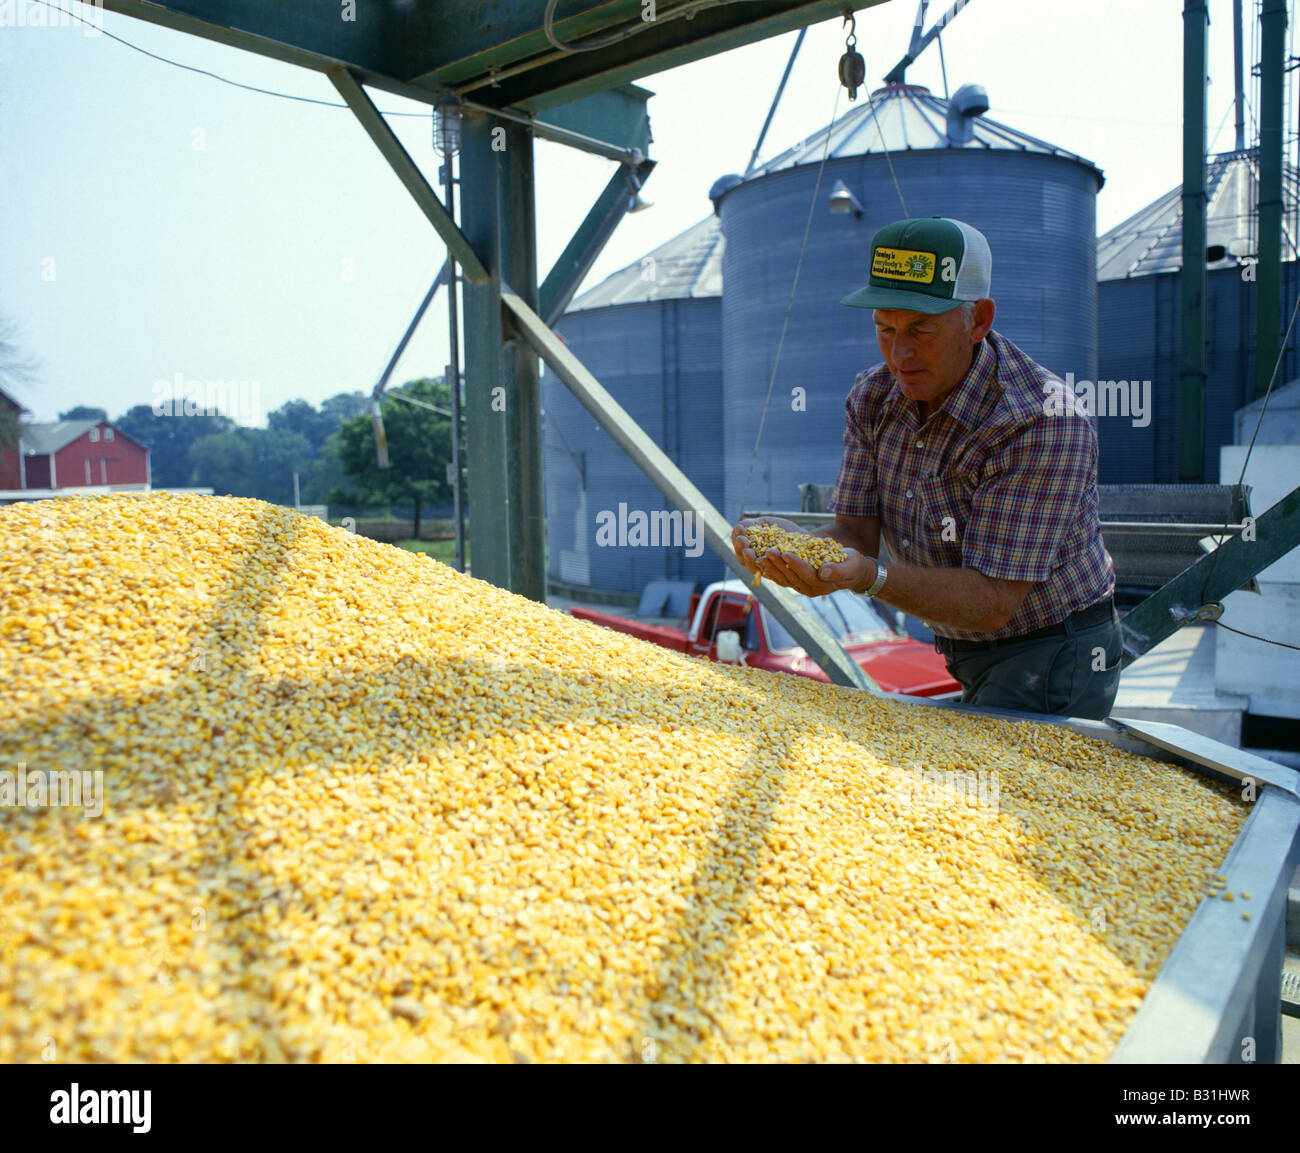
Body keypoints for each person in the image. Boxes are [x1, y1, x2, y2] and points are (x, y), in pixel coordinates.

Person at [732, 216, 1122, 719]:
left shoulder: (1041, 420)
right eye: (885, 329)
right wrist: (802, 546)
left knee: (1005, 794)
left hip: (1053, 653)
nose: (900, 354)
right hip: (960, 643)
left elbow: (995, 597)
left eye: (921, 330)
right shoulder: (873, 398)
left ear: (978, 321)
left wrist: (866, 577)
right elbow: (855, 530)